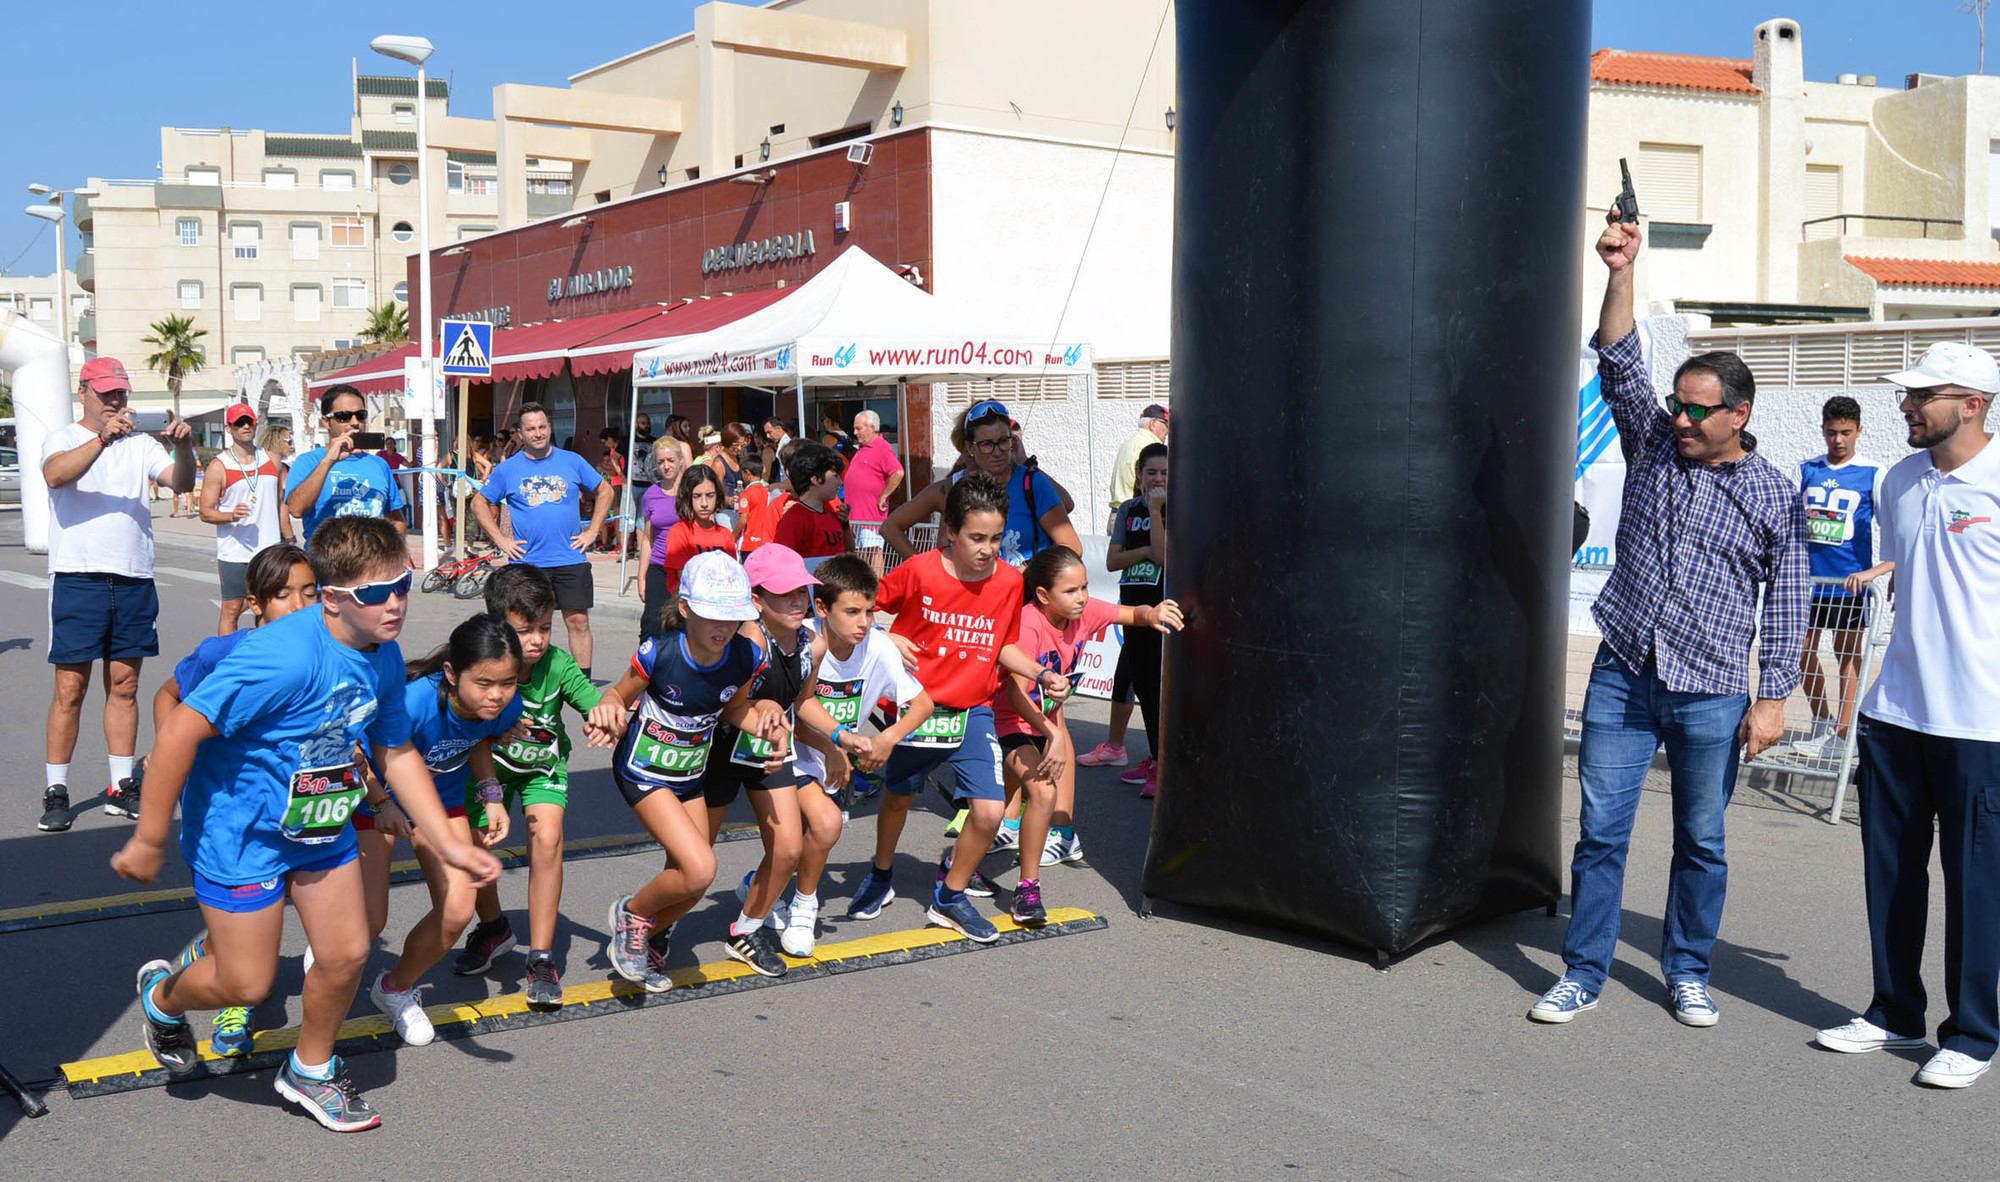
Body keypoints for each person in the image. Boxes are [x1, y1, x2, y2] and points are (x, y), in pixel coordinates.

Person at [109, 516, 501, 1132]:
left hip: (320, 823)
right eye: (377, 593)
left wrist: (449, 843)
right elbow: (180, 730)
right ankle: (163, 997)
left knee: (347, 952)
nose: (395, 602)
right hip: (241, 836)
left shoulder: (384, 654)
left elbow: (395, 750)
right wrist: (149, 837)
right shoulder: (282, 658)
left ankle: (310, 1069)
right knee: (245, 981)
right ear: (333, 599)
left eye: (402, 584)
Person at [1529, 214, 1809, 1028]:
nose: (1680, 419)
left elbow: (1789, 600)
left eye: (1697, 411)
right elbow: (1620, 358)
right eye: (1678, 405)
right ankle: (1583, 971)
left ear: (1739, 414)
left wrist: (1773, 698)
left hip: (1712, 691)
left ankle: (1687, 971)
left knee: (1702, 841)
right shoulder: (1652, 444)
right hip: (1623, 673)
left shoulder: (1773, 496)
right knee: (1600, 835)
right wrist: (1621, 269)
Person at [1814, 341, 2000, 1089]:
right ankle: (1894, 1011)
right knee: (1890, 872)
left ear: (1973, 405)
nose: (1907, 406)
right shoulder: (1899, 479)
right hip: (1895, 711)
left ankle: (1973, 1034)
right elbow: (1902, 569)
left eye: (1924, 395)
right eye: (1908, 394)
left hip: (1981, 722)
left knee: (1976, 884)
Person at [845, 473, 1075, 943]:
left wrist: (1039, 673)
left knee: (988, 813)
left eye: (996, 538)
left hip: (973, 710)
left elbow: (1003, 645)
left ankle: (949, 896)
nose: (988, 549)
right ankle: (881, 874)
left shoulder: (1009, 582)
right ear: (950, 531)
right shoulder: (919, 571)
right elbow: (861, 609)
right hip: (917, 709)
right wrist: (886, 636)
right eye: (977, 538)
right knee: (898, 798)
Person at [584, 552, 789, 990]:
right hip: (644, 770)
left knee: (694, 882)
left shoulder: (747, 656)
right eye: (713, 615)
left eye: (733, 617)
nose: (724, 628)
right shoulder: (659, 653)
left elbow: (735, 708)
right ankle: (632, 915)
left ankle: (642, 940)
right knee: (699, 867)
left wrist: (768, 726)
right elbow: (617, 696)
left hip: (691, 775)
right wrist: (607, 710)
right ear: (685, 609)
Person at [152, 544, 317, 1055]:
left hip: (297, 813)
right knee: (247, 954)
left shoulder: (327, 652)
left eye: (310, 593)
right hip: (229, 821)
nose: (299, 605)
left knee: (277, 908)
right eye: (283, 595)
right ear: (254, 604)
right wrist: (170, 754)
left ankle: (213, 954)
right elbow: (167, 696)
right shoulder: (221, 655)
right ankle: (228, 998)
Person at [39, 356, 197, 834]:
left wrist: (184, 448)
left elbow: (181, 482)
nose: (115, 401)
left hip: (132, 576)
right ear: (83, 392)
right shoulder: (64, 437)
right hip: (78, 575)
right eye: (106, 392)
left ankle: (120, 785)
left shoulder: (142, 445)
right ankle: (56, 789)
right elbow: (55, 475)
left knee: (125, 685)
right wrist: (103, 439)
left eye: (121, 393)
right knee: (70, 689)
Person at [990, 546, 1183, 924]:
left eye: (1085, 587)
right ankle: (986, 866)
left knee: (1034, 791)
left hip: (1045, 719)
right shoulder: (1028, 624)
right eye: (1071, 590)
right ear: (1043, 595)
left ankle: (1027, 878)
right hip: (1010, 721)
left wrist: (1152, 613)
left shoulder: (1083, 612)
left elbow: (1131, 614)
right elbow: (1015, 694)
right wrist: (1053, 733)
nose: (1081, 597)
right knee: (1035, 794)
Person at [357, 614, 524, 1048]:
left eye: (507, 682)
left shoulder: (507, 705)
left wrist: (490, 794)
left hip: (442, 803)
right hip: (373, 797)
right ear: (451, 673)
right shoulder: (413, 702)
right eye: (484, 683)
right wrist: (382, 803)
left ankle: (393, 989)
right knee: (367, 922)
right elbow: (358, 752)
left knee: (457, 909)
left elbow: (479, 739)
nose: (497, 694)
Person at [455, 566, 601, 1009]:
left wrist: (606, 715)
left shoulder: (557, 663)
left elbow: (593, 701)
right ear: (497, 627)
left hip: (542, 768)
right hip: (487, 769)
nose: (537, 640)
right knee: (477, 848)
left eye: (545, 627)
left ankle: (540, 957)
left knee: (548, 838)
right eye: (524, 630)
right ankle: (493, 927)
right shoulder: (479, 663)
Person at [784, 554, 935, 956]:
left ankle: (761, 887)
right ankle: (804, 907)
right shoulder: (804, 642)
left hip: (833, 756)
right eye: (852, 612)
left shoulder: (878, 648)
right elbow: (792, 711)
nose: (864, 622)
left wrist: (888, 739)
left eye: (869, 611)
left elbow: (923, 704)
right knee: (825, 825)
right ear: (821, 608)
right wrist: (833, 745)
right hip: (789, 753)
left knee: (795, 847)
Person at [697, 545, 828, 977]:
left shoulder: (813, 644)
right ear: (756, 600)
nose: (798, 601)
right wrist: (765, 710)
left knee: (788, 847)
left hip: (769, 750)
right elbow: (729, 708)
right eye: (785, 593)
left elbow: (804, 702)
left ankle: (746, 929)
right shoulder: (749, 641)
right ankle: (656, 928)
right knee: (696, 859)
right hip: (721, 749)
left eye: (802, 591)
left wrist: (840, 740)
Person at [472, 402, 613, 679]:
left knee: (578, 622)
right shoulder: (508, 469)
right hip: (528, 563)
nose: (538, 433)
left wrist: (593, 531)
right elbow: (479, 503)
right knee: (527, 626)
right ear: (520, 433)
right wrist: (501, 540)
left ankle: (582, 682)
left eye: (542, 427)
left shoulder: (572, 461)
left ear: (549, 427)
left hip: (570, 558)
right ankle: (525, 680)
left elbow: (605, 491)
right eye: (531, 429)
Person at [1788, 396, 1886, 760]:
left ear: (1859, 430)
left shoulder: (1873, 473)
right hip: (1808, 582)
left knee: (1847, 654)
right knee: (1801, 650)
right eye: (1832, 432)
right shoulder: (1806, 469)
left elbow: (1891, 526)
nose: (1839, 440)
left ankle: (1844, 734)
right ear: (1823, 430)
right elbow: (1790, 522)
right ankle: (1822, 720)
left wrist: (1881, 571)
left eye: (1846, 432)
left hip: (1848, 585)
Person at [884, 400, 1081, 569]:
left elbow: (1072, 546)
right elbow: (891, 527)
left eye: (1003, 441)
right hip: (972, 598)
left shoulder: (1031, 482)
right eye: (987, 444)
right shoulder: (952, 488)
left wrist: (1028, 570)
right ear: (970, 447)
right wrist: (927, 572)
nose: (997, 452)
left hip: (1024, 596)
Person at [1086, 443, 1172, 797]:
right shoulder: (1127, 509)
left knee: (1157, 689)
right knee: (1141, 686)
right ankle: (1153, 756)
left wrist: (1155, 512)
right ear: (1139, 474)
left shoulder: (1174, 510)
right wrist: (1143, 550)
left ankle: (1163, 763)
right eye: (1151, 472)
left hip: (1161, 611)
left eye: (1164, 473)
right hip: (1132, 609)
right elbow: (1113, 561)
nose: (1158, 479)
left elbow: (1164, 557)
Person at [199, 404, 286, 636]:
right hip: (235, 552)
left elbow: (279, 505)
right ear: (229, 428)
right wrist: (230, 515)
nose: (246, 426)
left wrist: (288, 538)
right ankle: (226, 655)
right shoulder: (219, 466)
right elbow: (205, 512)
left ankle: (264, 652)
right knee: (232, 609)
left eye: (249, 422)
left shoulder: (272, 460)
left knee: (269, 606)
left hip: (268, 550)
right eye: (239, 423)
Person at [285, 384, 408, 543]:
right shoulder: (308, 461)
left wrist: (390, 552)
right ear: (326, 421)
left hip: (371, 558)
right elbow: (296, 509)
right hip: (325, 557)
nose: (355, 422)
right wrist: (329, 461)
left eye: (361, 415)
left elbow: (397, 520)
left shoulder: (379, 465)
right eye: (344, 416)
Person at [652, 465, 736, 633]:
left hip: (721, 613)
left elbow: (732, 578)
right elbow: (683, 579)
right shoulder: (679, 532)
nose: (704, 503)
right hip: (689, 614)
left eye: (710, 495)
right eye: (697, 496)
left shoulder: (726, 535)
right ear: (687, 497)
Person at [843, 409, 905, 572]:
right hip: (857, 514)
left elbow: (898, 472)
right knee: (862, 554)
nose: (855, 432)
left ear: (872, 427)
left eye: (859, 428)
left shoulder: (881, 448)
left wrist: (884, 496)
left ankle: (877, 584)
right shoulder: (863, 448)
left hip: (870, 515)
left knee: (873, 552)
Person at [773, 441, 849, 559]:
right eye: (835, 476)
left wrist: (845, 525)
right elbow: (781, 560)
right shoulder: (794, 518)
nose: (840, 482)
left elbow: (849, 552)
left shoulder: (833, 511)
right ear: (816, 479)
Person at [1106, 404, 1169, 531]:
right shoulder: (1151, 446)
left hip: (1117, 514)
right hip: (1136, 517)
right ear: (1153, 424)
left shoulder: (1129, 442)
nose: (1167, 433)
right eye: (1166, 425)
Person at [762, 417, 794, 485]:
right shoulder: (783, 444)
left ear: (779, 428)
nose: (767, 436)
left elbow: (787, 475)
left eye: (769, 432)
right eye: (766, 433)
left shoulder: (786, 445)